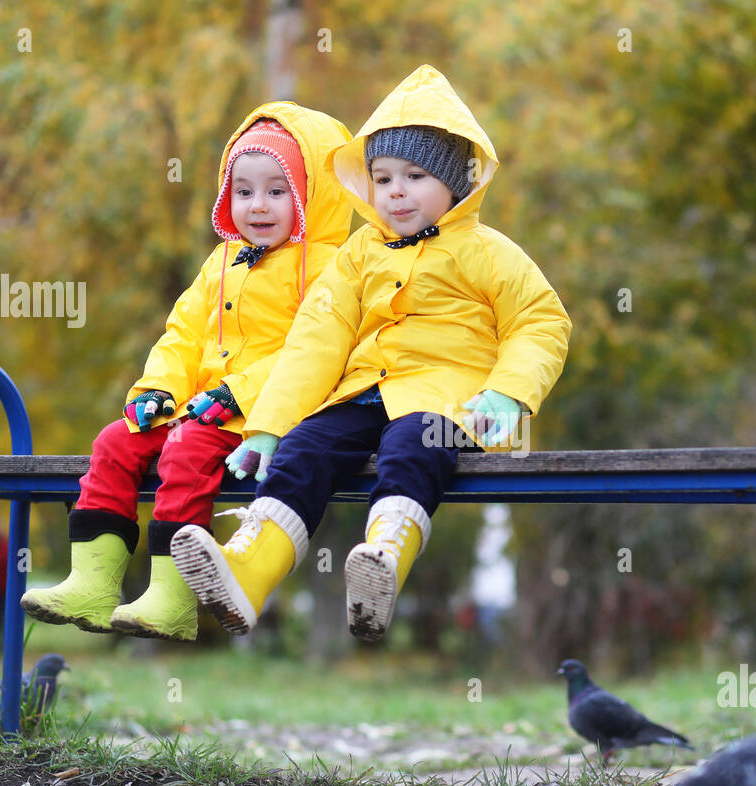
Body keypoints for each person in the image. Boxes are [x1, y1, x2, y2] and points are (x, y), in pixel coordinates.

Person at [171, 65, 571, 641]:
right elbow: (317, 339)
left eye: (415, 176)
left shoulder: (486, 251)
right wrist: (266, 428)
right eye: (383, 178)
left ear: (457, 183)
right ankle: (248, 572)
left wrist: (509, 394)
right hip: (363, 392)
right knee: (306, 447)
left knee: (412, 446)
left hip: (445, 397)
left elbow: (540, 321)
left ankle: (383, 559)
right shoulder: (360, 252)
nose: (396, 192)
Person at [20, 103, 352, 642]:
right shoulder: (220, 263)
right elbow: (182, 335)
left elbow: (312, 352)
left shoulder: (329, 268)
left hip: (266, 413)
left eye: (277, 190)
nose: (258, 206)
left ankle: (171, 598)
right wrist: (157, 390)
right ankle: (92, 582)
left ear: (311, 196)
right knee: (115, 442)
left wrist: (235, 394)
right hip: (199, 405)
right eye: (243, 192)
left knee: (185, 453)